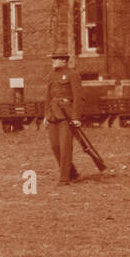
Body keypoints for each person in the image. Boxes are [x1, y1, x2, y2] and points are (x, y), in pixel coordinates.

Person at [44, 49, 83, 185]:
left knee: (65, 146)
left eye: (56, 59)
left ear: (64, 60)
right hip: (53, 114)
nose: (53, 61)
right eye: (53, 58)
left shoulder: (73, 75)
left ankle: (64, 178)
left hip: (67, 115)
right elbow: (48, 96)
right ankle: (72, 172)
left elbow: (78, 97)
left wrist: (76, 116)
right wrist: (45, 115)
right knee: (55, 146)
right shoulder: (51, 76)